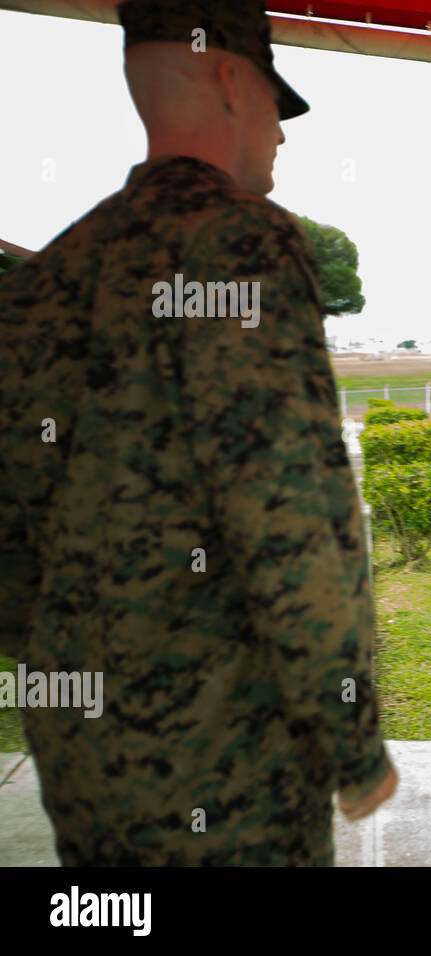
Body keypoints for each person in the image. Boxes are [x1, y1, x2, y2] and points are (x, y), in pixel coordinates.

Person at [0, 0, 394, 865]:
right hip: (222, 764)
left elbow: (15, 529)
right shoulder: (243, 242)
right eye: (273, 107)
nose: (281, 137)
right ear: (226, 76)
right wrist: (352, 737)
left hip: (81, 757)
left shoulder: (49, 273)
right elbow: (289, 515)